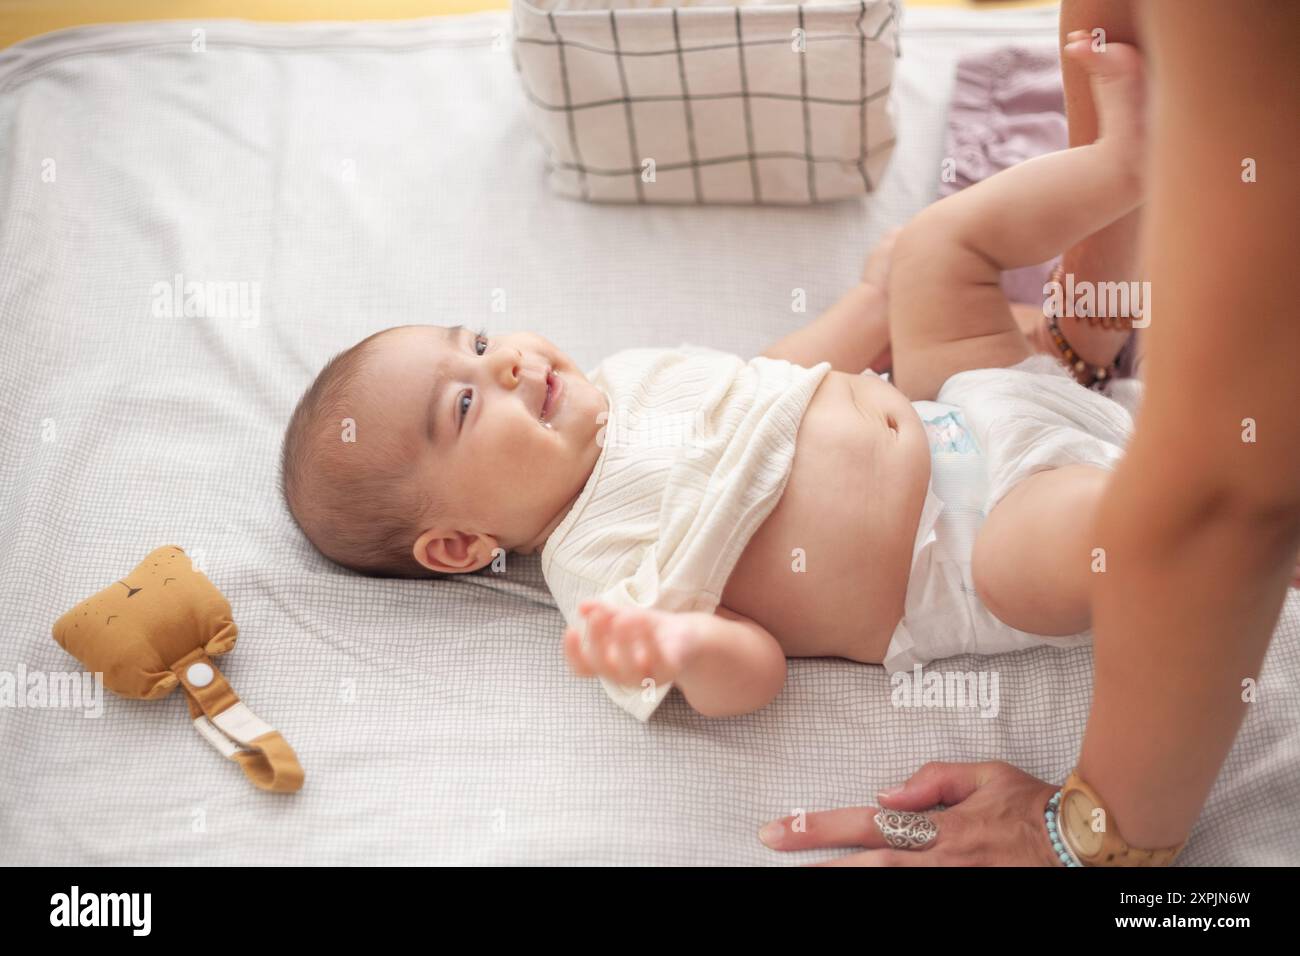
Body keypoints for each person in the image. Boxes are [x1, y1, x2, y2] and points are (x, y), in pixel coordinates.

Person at [759, 0, 1300, 865]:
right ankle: (1105, 247)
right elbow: (1125, 27)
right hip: (988, 427)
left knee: (943, 249)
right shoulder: (606, 559)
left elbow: (1229, 501)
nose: (510, 369)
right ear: (456, 543)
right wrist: (1087, 316)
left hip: (1004, 477)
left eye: (480, 346)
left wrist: (1095, 833)